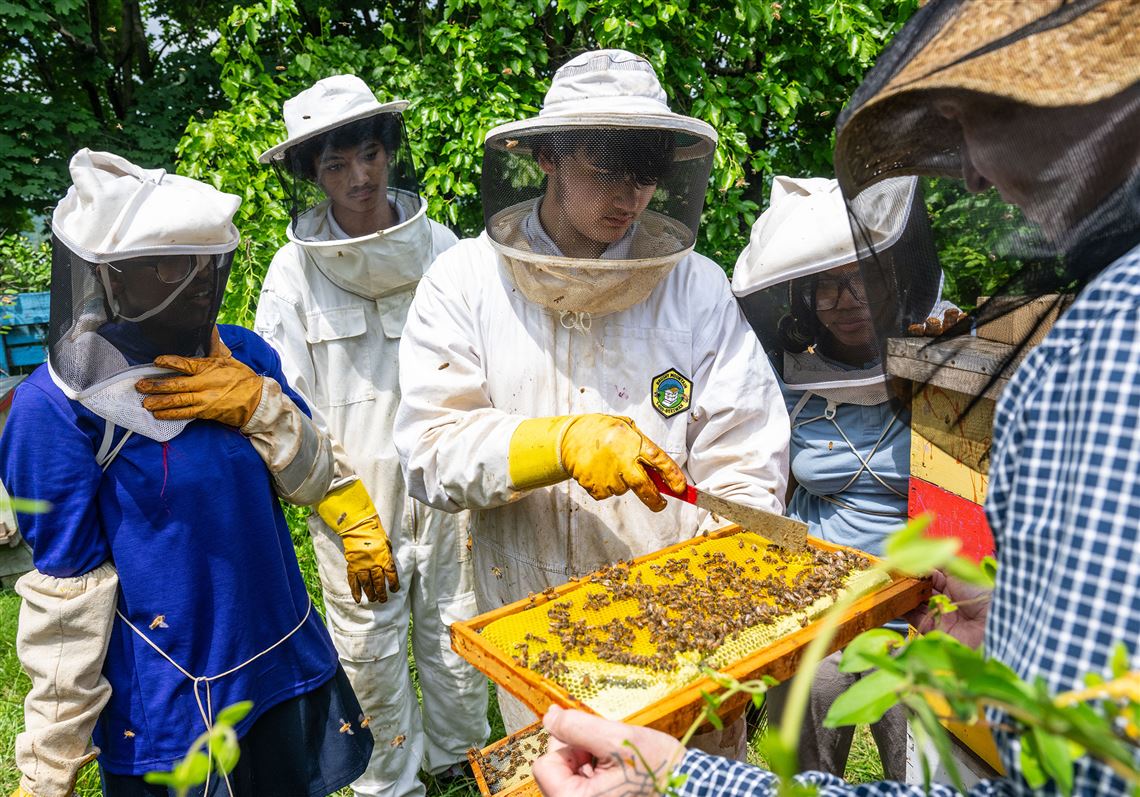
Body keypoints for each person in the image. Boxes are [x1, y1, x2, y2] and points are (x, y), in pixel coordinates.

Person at [529, 0, 1140, 794]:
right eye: (825, 288)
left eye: (976, 116)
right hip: (811, 604)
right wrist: (1015, 623)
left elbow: (1077, 774)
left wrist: (685, 781)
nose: (975, 172)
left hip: (899, 607)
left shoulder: (1106, 338)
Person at [393, 49, 790, 759]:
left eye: (647, 171)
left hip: (682, 627)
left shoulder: (695, 289)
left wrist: (721, 603)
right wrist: (558, 442)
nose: (630, 194)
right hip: (532, 629)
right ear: (547, 155)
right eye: (606, 166)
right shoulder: (463, 283)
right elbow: (429, 449)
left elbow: (746, 452)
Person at [0, 149, 384, 797]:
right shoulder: (53, 410)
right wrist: (48, 767)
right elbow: (68, 597)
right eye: (173, 261)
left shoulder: (245, 353)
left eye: (207, 259)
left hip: (279, 668)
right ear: (109, 276)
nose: (201, 279)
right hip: (173, 705)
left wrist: (262, 407)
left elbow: (313, 477)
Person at [254, 74, 489, 797]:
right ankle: (390, 782)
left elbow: (486, 367)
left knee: (460, 629)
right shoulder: (292, 274)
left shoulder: (445, 248)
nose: (358, 176)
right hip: (354, 494)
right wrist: (341, 504)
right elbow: (282, 408)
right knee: (367, 646)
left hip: (448, 488)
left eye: (368, 155)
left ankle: (461, 763)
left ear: (390, 153)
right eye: (334, 165)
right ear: (311, 176)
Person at [731, 174, 957, 781]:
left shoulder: (945, 356)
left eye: (860, 278)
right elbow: (756, 473)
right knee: (801, 776)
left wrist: (950, 360)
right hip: (819, 608)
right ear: (803, 299)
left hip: (921, 613)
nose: (846, 298)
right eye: (826, 286)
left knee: (923, 777)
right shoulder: (787, 381)